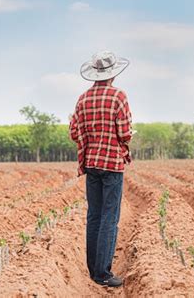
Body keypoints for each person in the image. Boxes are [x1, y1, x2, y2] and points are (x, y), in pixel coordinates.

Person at [69, 50, 133, 287]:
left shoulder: (83, 99)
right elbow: (125, 133)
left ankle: (93, 270)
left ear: (95, 74)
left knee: (94, 215)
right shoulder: (119, 97)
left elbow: (74, 132)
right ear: (113, 74)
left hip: (91, 163)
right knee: (109, 217)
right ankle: (103, 274)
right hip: (112, 164)